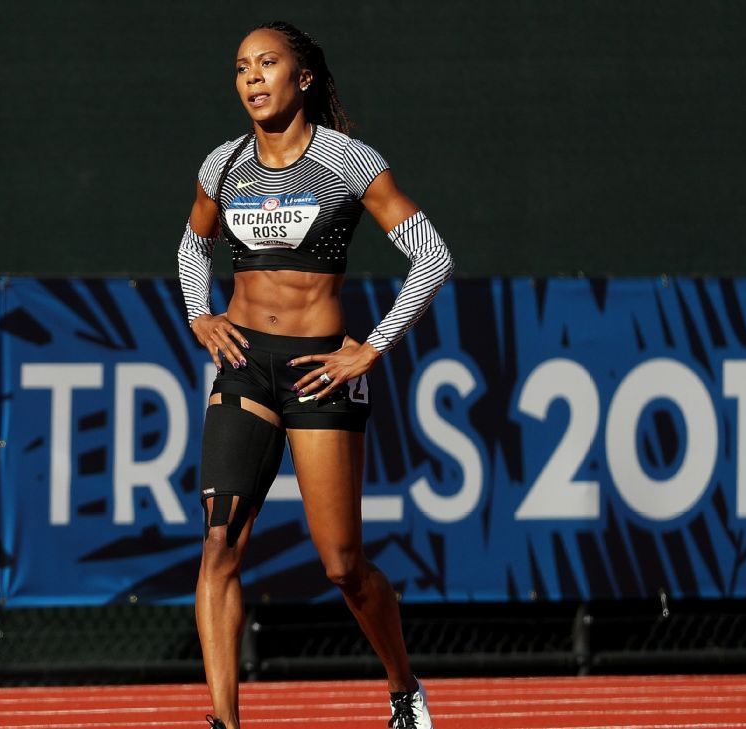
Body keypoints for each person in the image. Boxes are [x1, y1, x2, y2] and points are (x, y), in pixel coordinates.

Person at [177, 20, 453, 729]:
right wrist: (199, 313)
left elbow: (432, 255)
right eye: (241, 66)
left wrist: (373, 347)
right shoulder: (223, 164)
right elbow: (191, 244)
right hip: (244, 368)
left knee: (343, 566)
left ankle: (403, 688)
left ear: (302, 78)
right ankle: (224, 722)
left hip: (319, 374)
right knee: (219, 546)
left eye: (267, 63)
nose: (251, 77)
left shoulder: (348, 161)